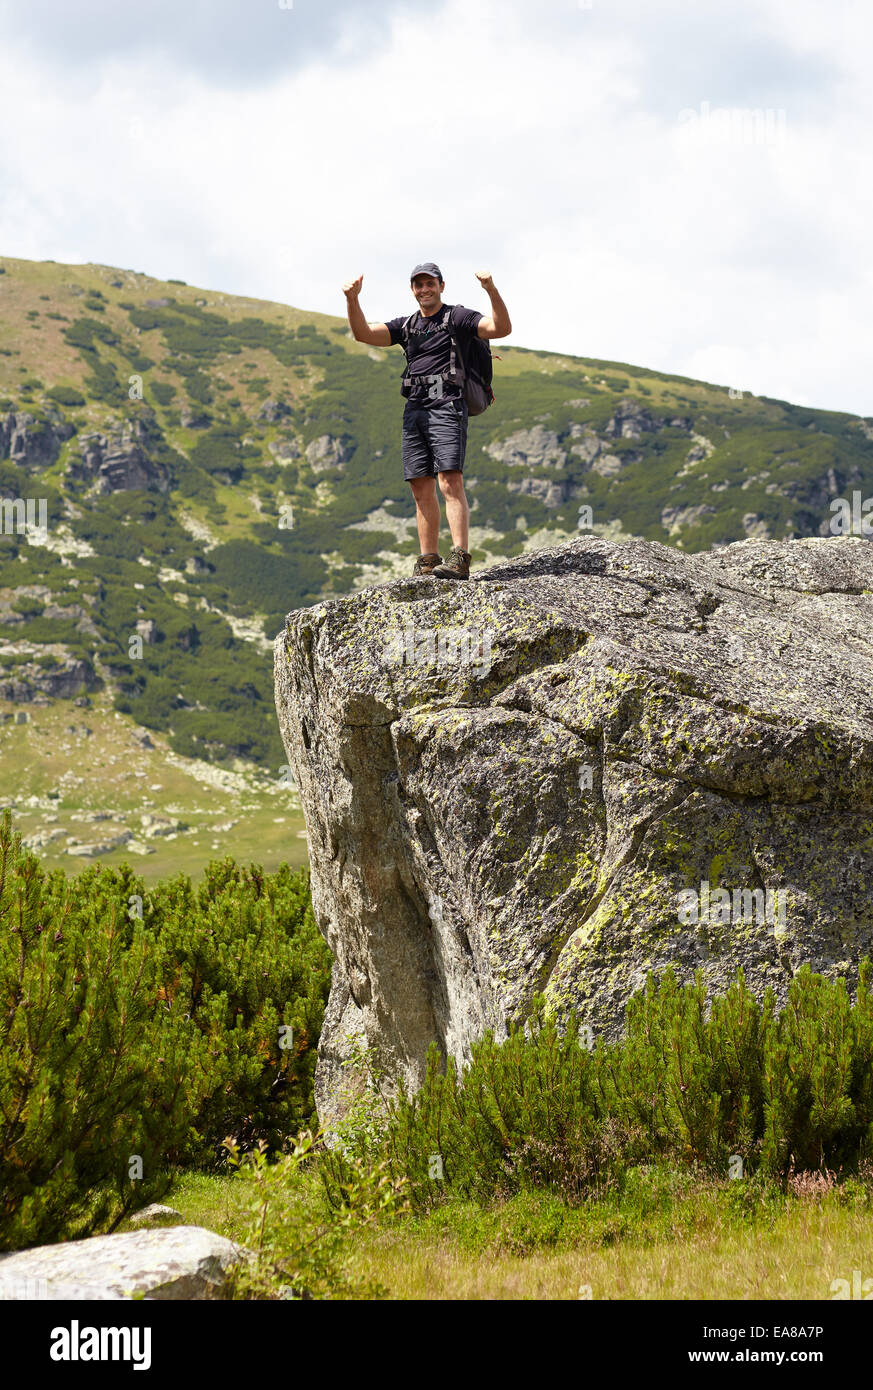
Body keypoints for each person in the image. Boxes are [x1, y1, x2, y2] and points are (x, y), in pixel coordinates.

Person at [342, 262, 512, 579]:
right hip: (415, 409)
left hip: (448, 406)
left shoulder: (457, 317)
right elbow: (363, 334)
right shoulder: (406, 326)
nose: (424, 289)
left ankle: (459, 557)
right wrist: (352, 299)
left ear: (441, 286)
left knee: (449, 481)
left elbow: (500, 329)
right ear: (412, 290)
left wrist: (491, 290)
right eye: (418, 284)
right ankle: (428, 560)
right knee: (420, 486)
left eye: (429, 283)